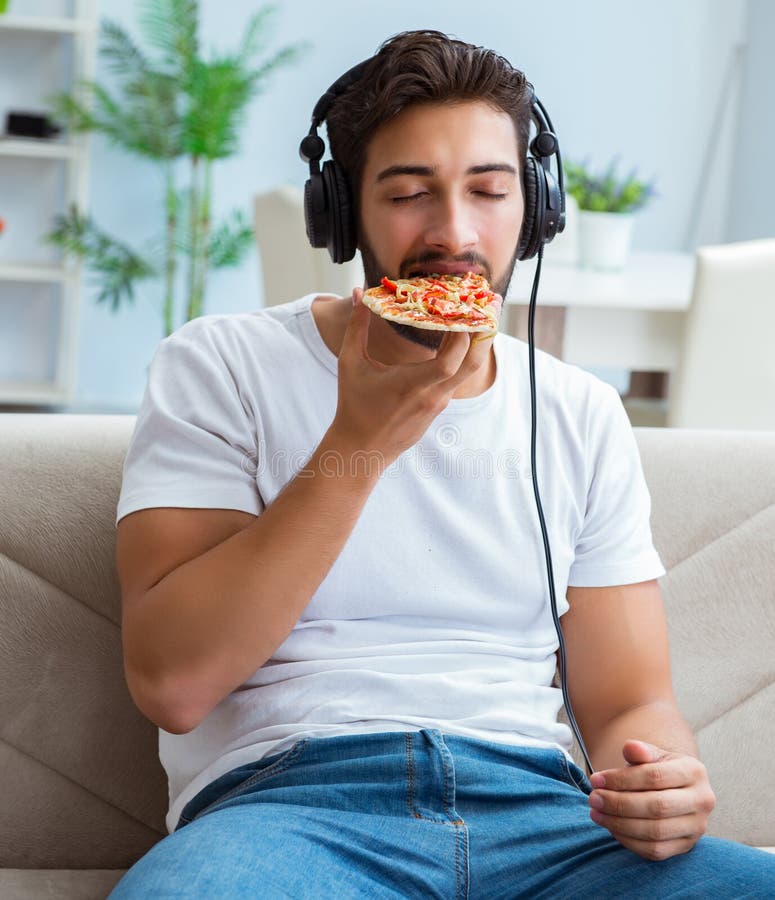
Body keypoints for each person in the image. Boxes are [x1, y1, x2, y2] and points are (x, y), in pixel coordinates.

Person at [109, 29, 775, 899]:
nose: (454, 232)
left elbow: (626, 704)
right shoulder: (219, 366)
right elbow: (174, 684)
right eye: (409, 193)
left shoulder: (576, 411)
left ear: (534, 209)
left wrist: (663, 779)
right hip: (292, 808)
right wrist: (362, 441)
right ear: (342, 214)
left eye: (491, 191)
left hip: (549, 819)